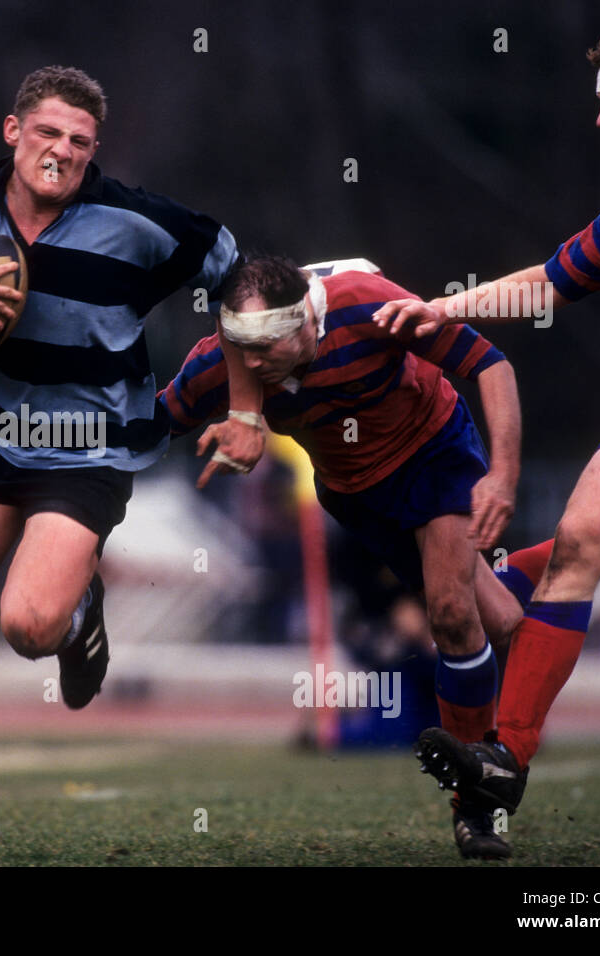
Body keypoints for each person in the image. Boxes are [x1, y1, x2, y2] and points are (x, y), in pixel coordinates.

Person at [0, 65, 243, 860]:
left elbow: (241, 281)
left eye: (79, 141)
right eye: (47, 133)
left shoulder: (137, 221)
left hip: (88, 442)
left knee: (27, 627)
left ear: (94, 151)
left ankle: (77, 610)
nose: (62, 151)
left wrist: (245, 405)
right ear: (13, 132)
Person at [374, 14, 600, 857]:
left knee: (551, 564)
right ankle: (502, 764)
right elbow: (549, 284)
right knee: (579, 546)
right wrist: (441, 307)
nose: (599, 121)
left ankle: (488, 600)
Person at [162, 254, 543, 858]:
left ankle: (475, 807)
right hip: (354, 494)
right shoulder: (225, 363)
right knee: (506, 624)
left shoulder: (368, 305)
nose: (252, 363)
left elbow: (491, 364)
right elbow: (154, 420)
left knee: (449, 614)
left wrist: (503, 474)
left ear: (307, 322)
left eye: (266, 346)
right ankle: (589, 546)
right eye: (242, 347)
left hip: (433, 451)